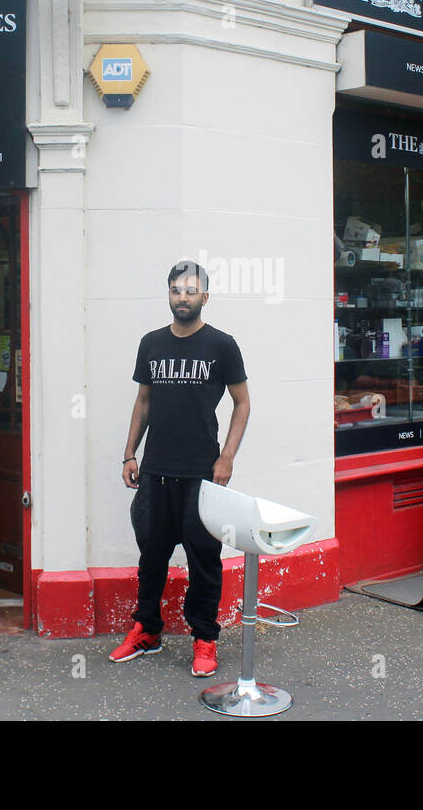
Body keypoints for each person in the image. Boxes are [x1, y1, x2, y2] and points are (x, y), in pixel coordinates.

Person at [109, 260, 250, 677]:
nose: (182, 297)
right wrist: (129, 453)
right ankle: (146, 631)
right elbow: (144, 402)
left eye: (191, 291)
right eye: (176, 290)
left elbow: (242, 403)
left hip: (202, 473)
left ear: (205, 296)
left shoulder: (222, 345)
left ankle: (205, 640)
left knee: (204, 557)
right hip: (155, 472)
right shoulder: (151, 343)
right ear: (168, 295)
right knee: (151, 555)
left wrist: (227, 457)